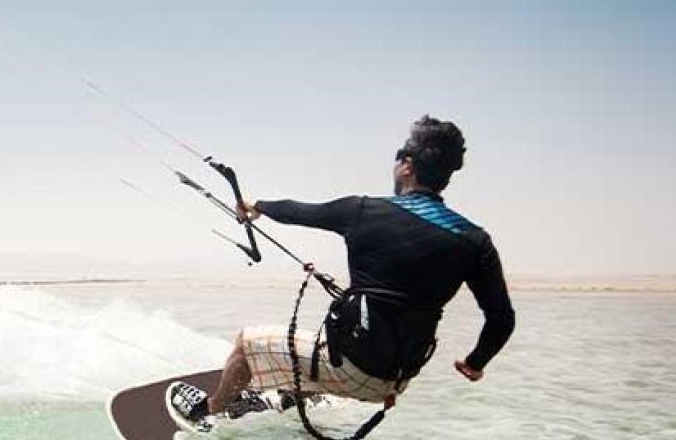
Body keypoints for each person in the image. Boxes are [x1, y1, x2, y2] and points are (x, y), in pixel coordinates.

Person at [167, 115, 515, 431]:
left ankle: (208, 413)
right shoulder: (474, 240)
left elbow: (301, 211)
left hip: (352, 369)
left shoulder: (363, 211)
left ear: (407, 165)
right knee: (329, 336)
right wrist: (475, 362)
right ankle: (290, 395)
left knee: (246, 343)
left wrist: (256, 207)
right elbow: (502, 319)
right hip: (397, 380)